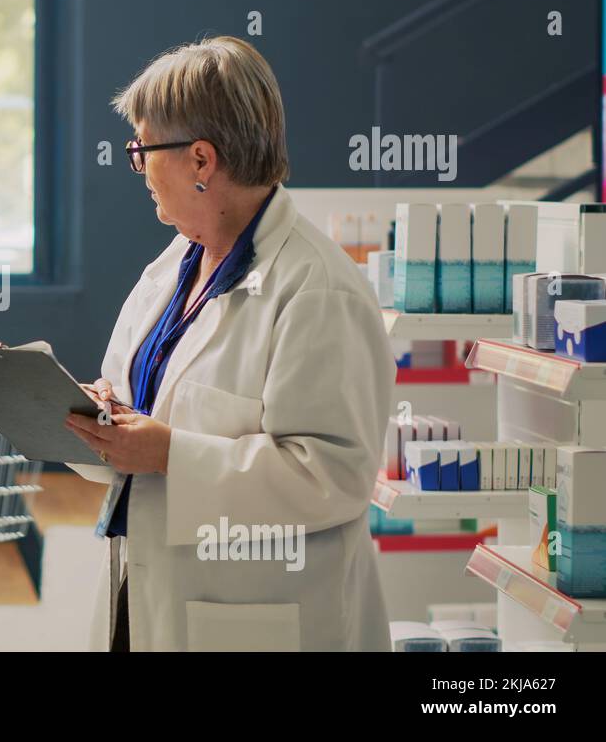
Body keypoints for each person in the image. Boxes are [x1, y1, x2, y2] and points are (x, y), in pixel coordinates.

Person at [63, 36, 394, 652]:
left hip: (260, 621)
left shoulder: (318, 290)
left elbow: (336, 474)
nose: (137, 168)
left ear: (200, 160)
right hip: (149, 595)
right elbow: (136, 410)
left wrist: (169, 454)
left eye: (141, 150)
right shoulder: (176, 266)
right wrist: (95, 415)